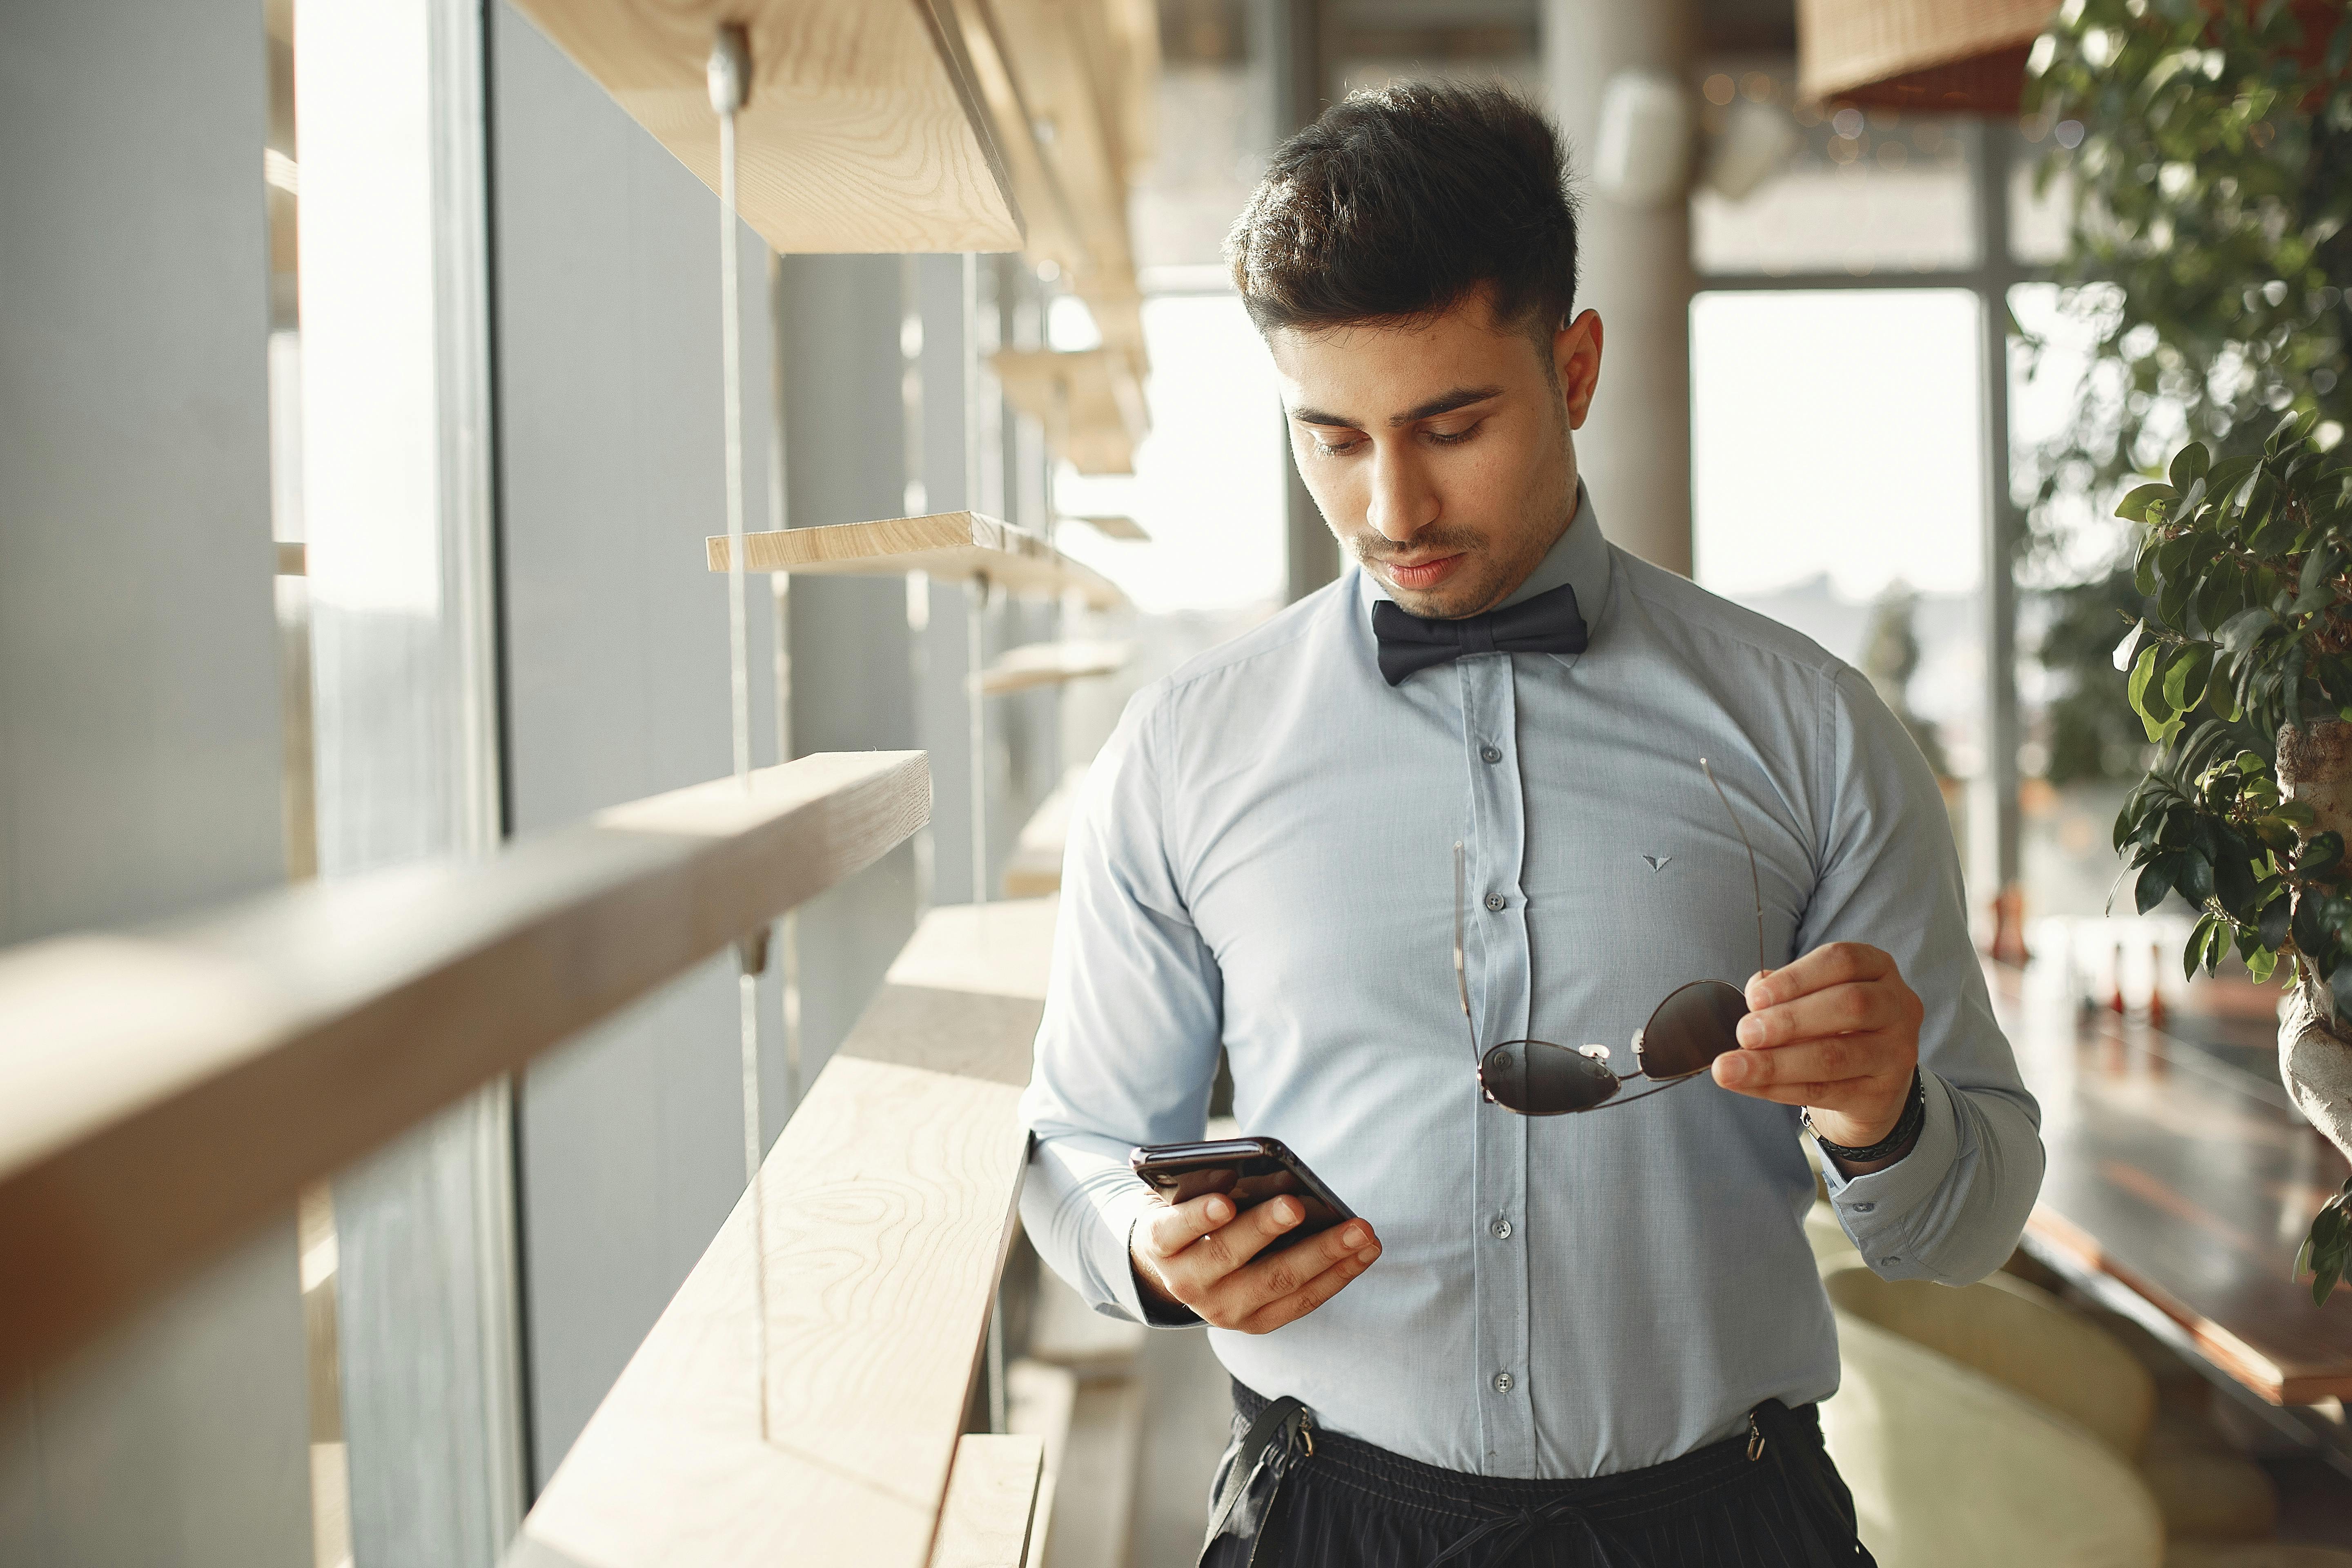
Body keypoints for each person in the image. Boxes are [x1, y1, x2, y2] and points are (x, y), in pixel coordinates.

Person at [1019, 80, 2044, 1566]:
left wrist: (1889, 1116)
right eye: (1334, 438)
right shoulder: (1182, 753)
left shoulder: (1814, 729)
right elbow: (1076, 1145)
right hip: (1322, 1516)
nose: (1392, 505)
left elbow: (1974, 1221)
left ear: (1574, 367)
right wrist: (1145, 1248)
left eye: (1450, 423)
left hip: (1730, 1519)